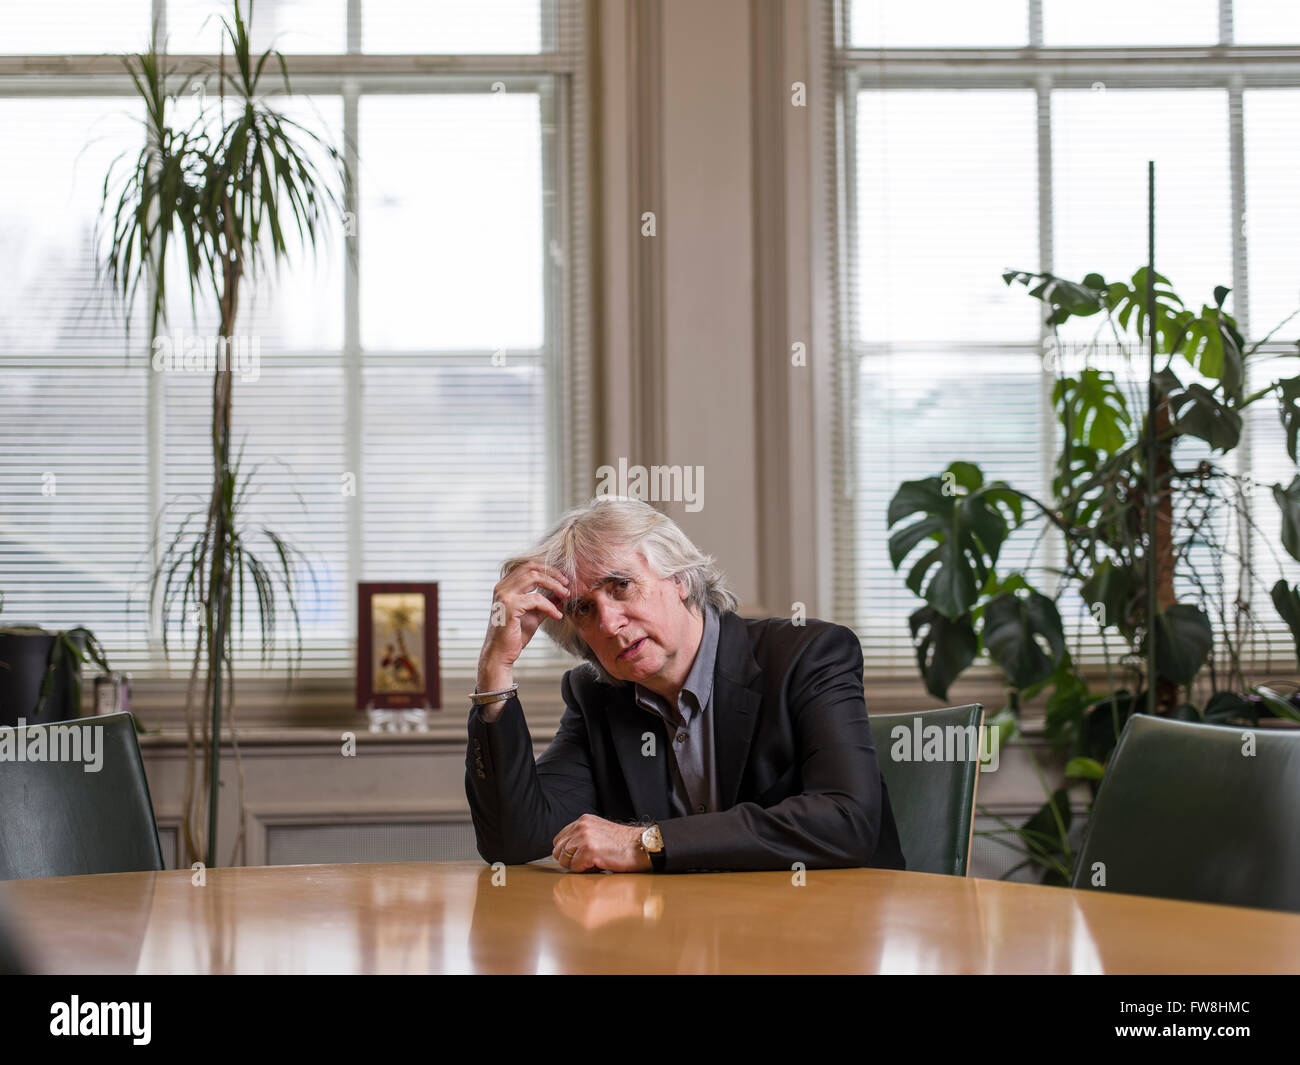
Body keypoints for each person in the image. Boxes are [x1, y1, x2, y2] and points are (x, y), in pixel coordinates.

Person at [465, 496, 906, 874]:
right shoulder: (597, 695)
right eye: (583, 609)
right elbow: (515, 839)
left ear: (677, 577)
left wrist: (647, 844)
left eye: (620, 586)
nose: (608, 622)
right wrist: (495, 670)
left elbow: (846, 820)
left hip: (829, 935)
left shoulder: (808, 655)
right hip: (687, 942)